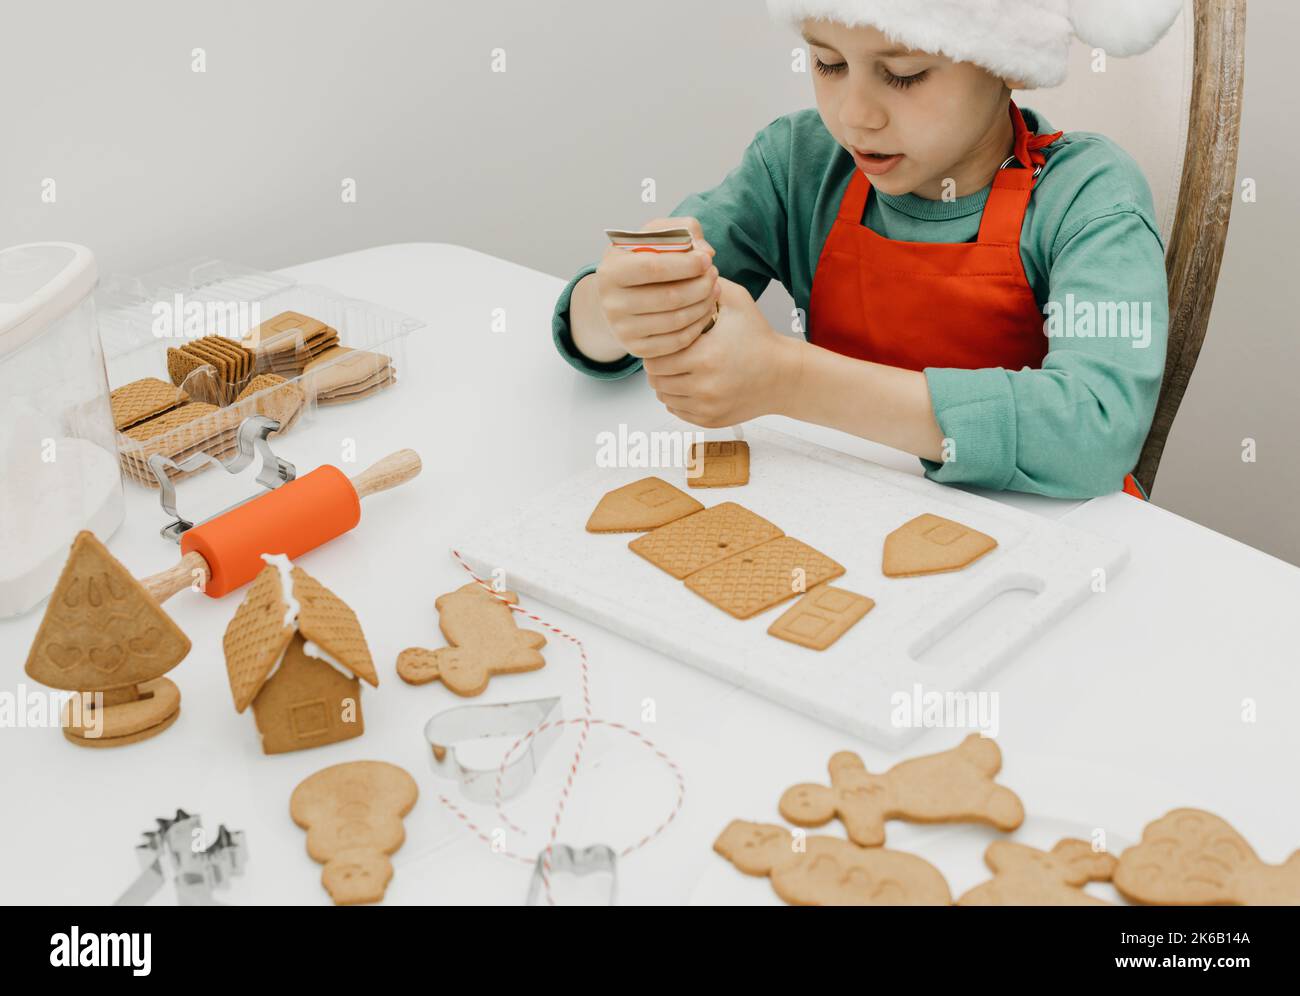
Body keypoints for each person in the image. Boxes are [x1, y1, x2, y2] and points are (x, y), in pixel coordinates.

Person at [552, 0, 1185, 498]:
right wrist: (619, 309)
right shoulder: (798, 166)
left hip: (1050, 555)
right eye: (828, 64)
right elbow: (611, 324)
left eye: (902, 74)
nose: (855, 116)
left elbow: (1093, 432)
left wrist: (790, 381)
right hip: (846, 521)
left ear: (1008, 62)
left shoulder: (1088, 198)